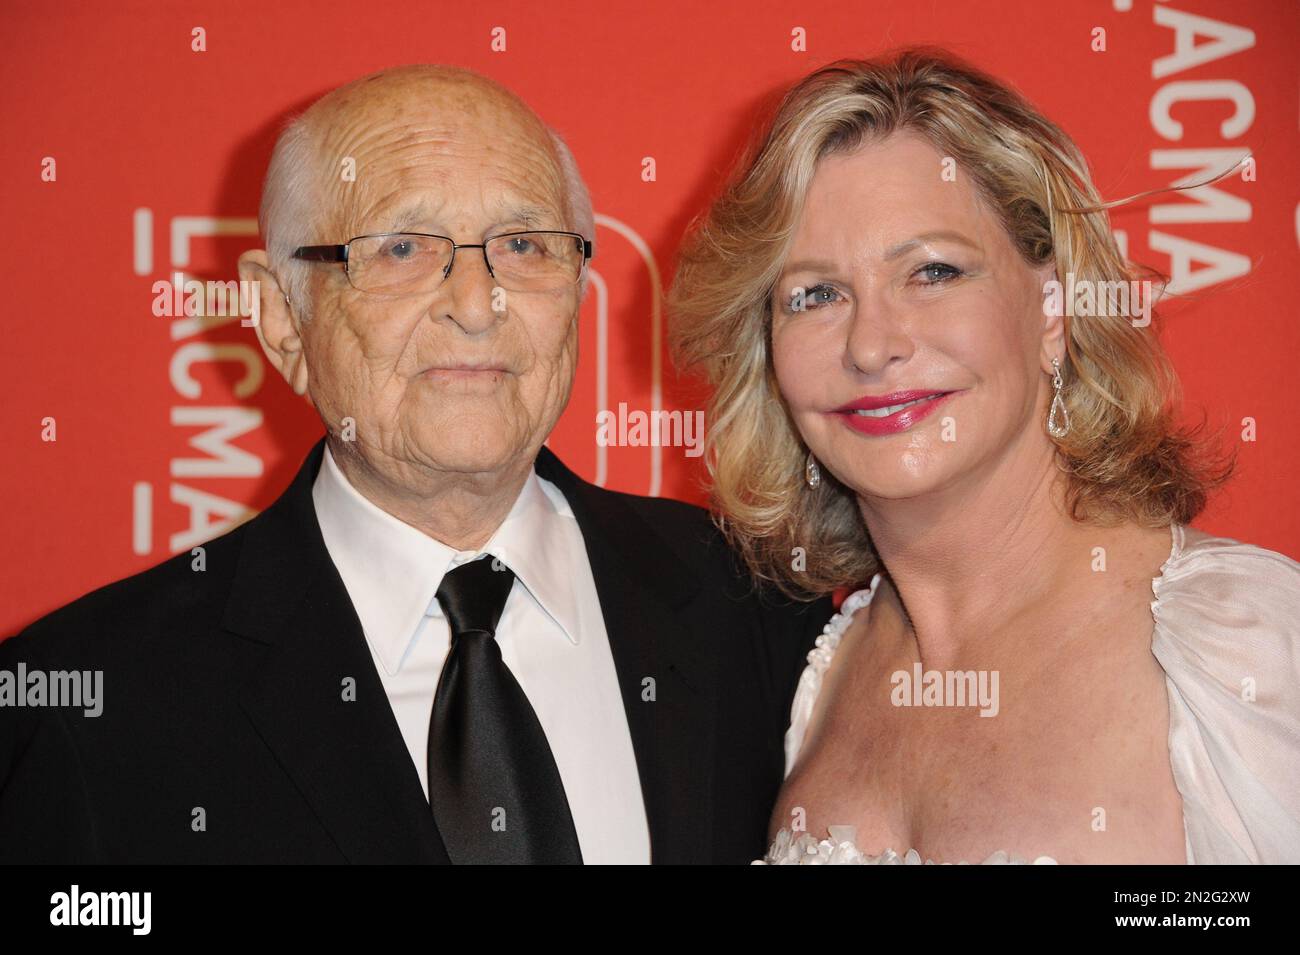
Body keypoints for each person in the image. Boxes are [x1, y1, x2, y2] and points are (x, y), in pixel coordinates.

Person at [0, 65, 831, 864]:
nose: (477, 304)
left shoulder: (757, 606)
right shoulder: (93, 705)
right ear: (282, 318)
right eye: (400, 247)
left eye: (524, 244)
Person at [669, 47, 1300, 864]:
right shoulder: (814, 680)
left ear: (1052, 310)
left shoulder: (1236, 649)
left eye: (932, 272)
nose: (871, 345)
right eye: (815, 294)